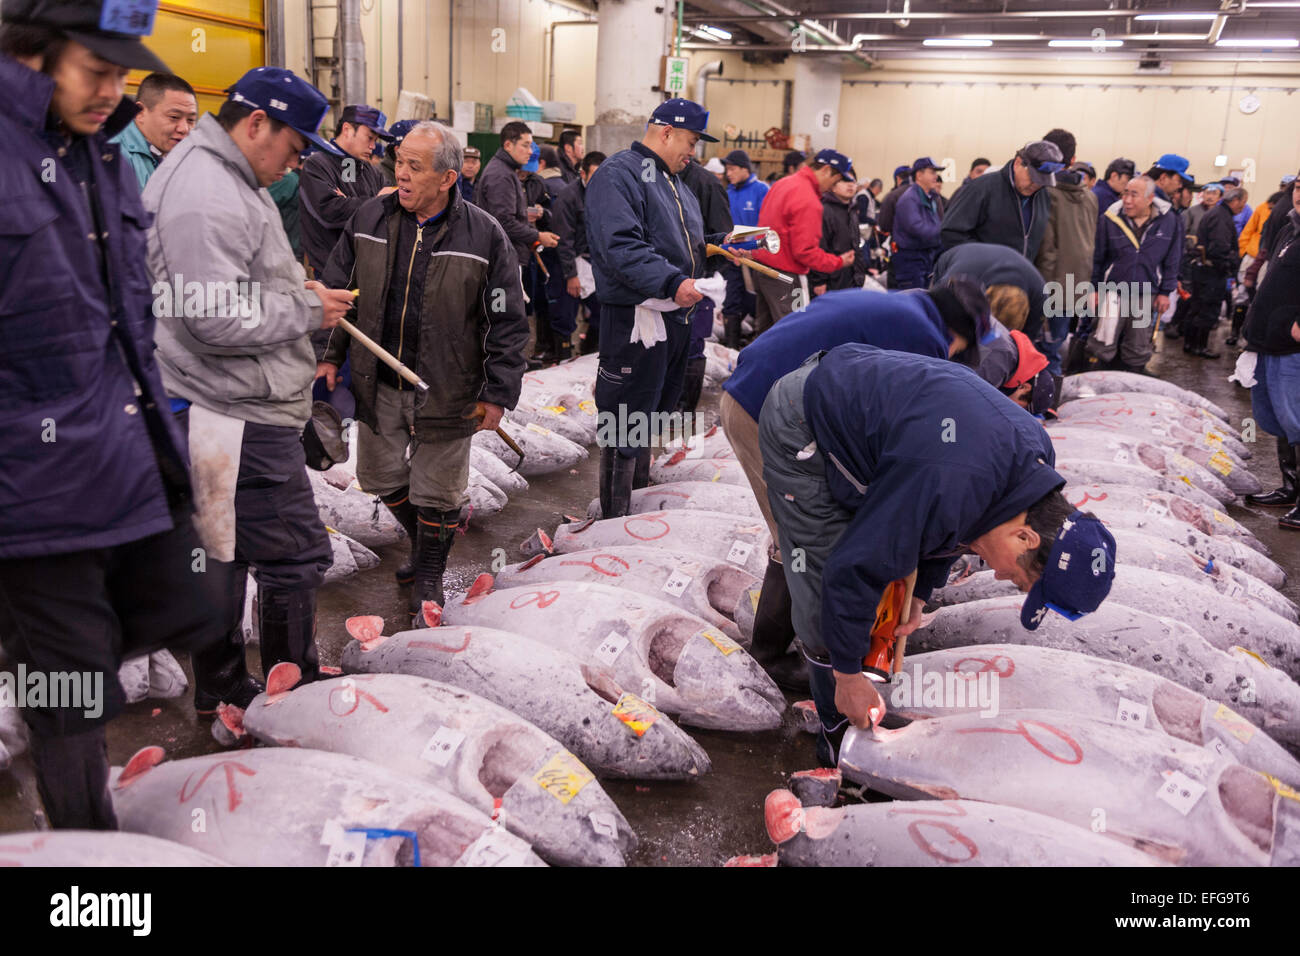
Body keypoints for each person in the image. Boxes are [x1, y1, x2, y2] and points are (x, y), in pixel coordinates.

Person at [0, 0, 226, 830]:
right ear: (34, 53)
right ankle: (86, 865)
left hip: (125, 452)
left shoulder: (99, 157)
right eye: (95, 70)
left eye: (122, 70)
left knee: (200, 603)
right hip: (28, 484)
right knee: (74, 690)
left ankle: (30, 656)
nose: (115, 90)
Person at [759, 344, 1116, 765]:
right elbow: (850, 570)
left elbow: (960, 525)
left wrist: (920, 591)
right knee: (824, 578)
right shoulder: (950, 480)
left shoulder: (1033, 465)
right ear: (1025, 538)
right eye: (1019, 579)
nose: (1001, 579)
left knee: (877, 567)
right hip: (804, 422)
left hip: (882, 424)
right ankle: (836, 738)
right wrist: (848, 676)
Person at [144, 66, 357, 710]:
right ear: (256, 123)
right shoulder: (206, 191)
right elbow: (210, 317)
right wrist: (304, 313)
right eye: (293, 147)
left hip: (227, 404)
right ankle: (292, 696)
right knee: (294, 553)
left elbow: (239, 280)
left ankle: (223, 687)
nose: (294, 166)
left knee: (224, 550)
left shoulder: (233, 174)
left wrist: (299, 291)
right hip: (231, 407)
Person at [719, 280, 991, 688]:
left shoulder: (901, 306)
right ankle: (781, 658)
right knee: (806, 540)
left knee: (805, 534)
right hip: (767, 412)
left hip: (758, 393)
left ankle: (790, 650)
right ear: (957, 337)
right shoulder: (924, 339)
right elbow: (904, 435)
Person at [317, 121, 529, 614]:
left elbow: (508, 322)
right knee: (381, 475)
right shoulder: (369, 217)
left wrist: (498, 392)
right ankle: (424, 545)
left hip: (449, 387)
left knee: (437, 489)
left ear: (448, 178)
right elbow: (336, 289)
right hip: (378, 377)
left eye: (415, 166)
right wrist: (328, 355)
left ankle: (429, 574)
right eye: (399, 163)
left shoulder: (485, 235)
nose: (403, 175)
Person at [583, 98, 717, 518]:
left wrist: (716, 249)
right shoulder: (619, 174)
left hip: (674, 318)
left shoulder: (676, 183)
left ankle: (634, 510)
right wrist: (671, 281)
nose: (692, 152)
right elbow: (620, 247)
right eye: (691, 141)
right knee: (624, 420)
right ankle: (614, 520)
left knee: (653, 415)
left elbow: (682, 244)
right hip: (635, 320)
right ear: (665, 132)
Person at [1240, 186, 1300, 528]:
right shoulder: (1289, 227)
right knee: (1280, 419)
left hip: (1292, 346)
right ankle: (1290, 487)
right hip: (1269, 340)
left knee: (1299, 422)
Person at [749, 148, 857, 332]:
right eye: (835, 180)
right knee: (796, 334)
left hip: (762, 270)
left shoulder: (783, 183)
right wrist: (838, 261)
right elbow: (805, 252)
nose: (832, 186)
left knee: (765, 334)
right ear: (825, 170)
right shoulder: (808, 200)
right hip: (785, 277)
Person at [1085, 175, 1181, 373]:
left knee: (1138, 345)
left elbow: (1173, 259)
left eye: (1134, 195)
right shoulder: (1110, 218)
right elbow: (1097, 257)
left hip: (1146, 292)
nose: (1127, 200)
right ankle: (1098, 384)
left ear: (1149, 198)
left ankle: (1131, 387)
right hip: (1112, 292)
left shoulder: (1169, 221)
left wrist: (1166, 292)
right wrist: (1093, 289)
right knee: (1103, 341)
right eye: (1125, 194)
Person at [299, 103, 394, 275]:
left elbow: (392, 206)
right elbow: (331, 213)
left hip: (365, 271)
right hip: (330, 274)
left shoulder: (369, 170)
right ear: (348, 129)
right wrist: (377, 201)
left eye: (375, 140)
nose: (373, 146)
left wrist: (351, 202)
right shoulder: (317, 165)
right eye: (369, 138)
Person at [1034, 128, 1097, 377]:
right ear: (1072, 160)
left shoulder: (1046, 194)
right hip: (1074, 288)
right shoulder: (1090, 197)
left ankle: (1037, 410)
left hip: (1047, 289)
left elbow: (1047, 251)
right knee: (1054, 351)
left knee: (1039, 354)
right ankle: (1050, 406)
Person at [940, 140, 1064, 261]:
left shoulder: (1043, 197)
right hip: (980, 277)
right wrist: (987, 262)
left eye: (1042, 181)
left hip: (1018, 278)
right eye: (1033, 177)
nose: (1036, 184)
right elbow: (951, 232)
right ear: (1017, 163)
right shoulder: (982, 188)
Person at [679, 152, 734, 411]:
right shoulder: (655, 178)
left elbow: (723, 240)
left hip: (696, 281)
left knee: (691, 344)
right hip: (661, 280)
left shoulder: (707, 183)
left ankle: (683, 409)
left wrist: (701, 274)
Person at [476, 120, 559, 281]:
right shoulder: (501, 175)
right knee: (501, 307)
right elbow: (504, 222)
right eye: (525, 145)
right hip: (500, 260)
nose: (530, 151)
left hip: (507, 257)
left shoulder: (506, 171)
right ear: (508, 145)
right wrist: (538, 236)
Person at [931, 242, 1047, 340]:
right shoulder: (957, 281)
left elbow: (1027, 342)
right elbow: (935, 315)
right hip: (958, 260)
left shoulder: (1040, 298)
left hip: (1001, 265)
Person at [552, 150, 606, 356]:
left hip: (595, 265)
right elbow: (563, 239)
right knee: (565, 317)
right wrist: (571, 274)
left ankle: (589, 354)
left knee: (602, 314)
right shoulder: (568, 196)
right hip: (570, 265)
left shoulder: (607, 195)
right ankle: (563, 359)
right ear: (582, 174)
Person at [1185, 185, 1246, 359]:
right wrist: (1229, 263)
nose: (1242, 208)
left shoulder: (1218, 213)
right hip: (1212, 271)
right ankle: (1199, 346)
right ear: (1234, 201)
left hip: (1203, 269)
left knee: (1196, 307)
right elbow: (1220, 248)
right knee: (1207, 309)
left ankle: (1190, 344)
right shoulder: (1221, 217)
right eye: (1241, 204)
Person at [109, 71, 196, 189]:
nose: (184, 129)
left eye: (191, 120)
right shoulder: (114, 154)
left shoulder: (182, 153)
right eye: (174, 117)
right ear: (140, 112)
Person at [720, 148, 767, 347]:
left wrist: (748, 239)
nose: (728, 173)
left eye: (732, 169)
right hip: (732, 257)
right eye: (727, 170)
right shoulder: (728, 192)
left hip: (755, 257)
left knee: (757, 302)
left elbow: (768, 225)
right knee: (731, 301)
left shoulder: (761, 190)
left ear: (744, 169)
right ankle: (732, 346)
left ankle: (758, 343)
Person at [890, 156, 945, 289]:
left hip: (924, 258)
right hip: (911, 261)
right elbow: (917, 228)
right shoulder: (910, 199)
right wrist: (944, 233)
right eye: (932, 172)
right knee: (913, 299)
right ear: (919, 175)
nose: (935, 177)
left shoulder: (930, 197)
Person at [810, 175, 866, 293]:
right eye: (844, 181)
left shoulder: (852, 210)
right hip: (831, 280)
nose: (850, 184)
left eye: (853, 181)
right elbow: (819, 247)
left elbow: (856, 245)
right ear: (833, 186)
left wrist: (860, 275)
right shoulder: (824, 210)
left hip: (851, 278)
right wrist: (819, 280)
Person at [875, 164, 912, 236]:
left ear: (897, 178)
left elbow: (884, 224)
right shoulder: (924, 193)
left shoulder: (893, 195)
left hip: (901, 240)